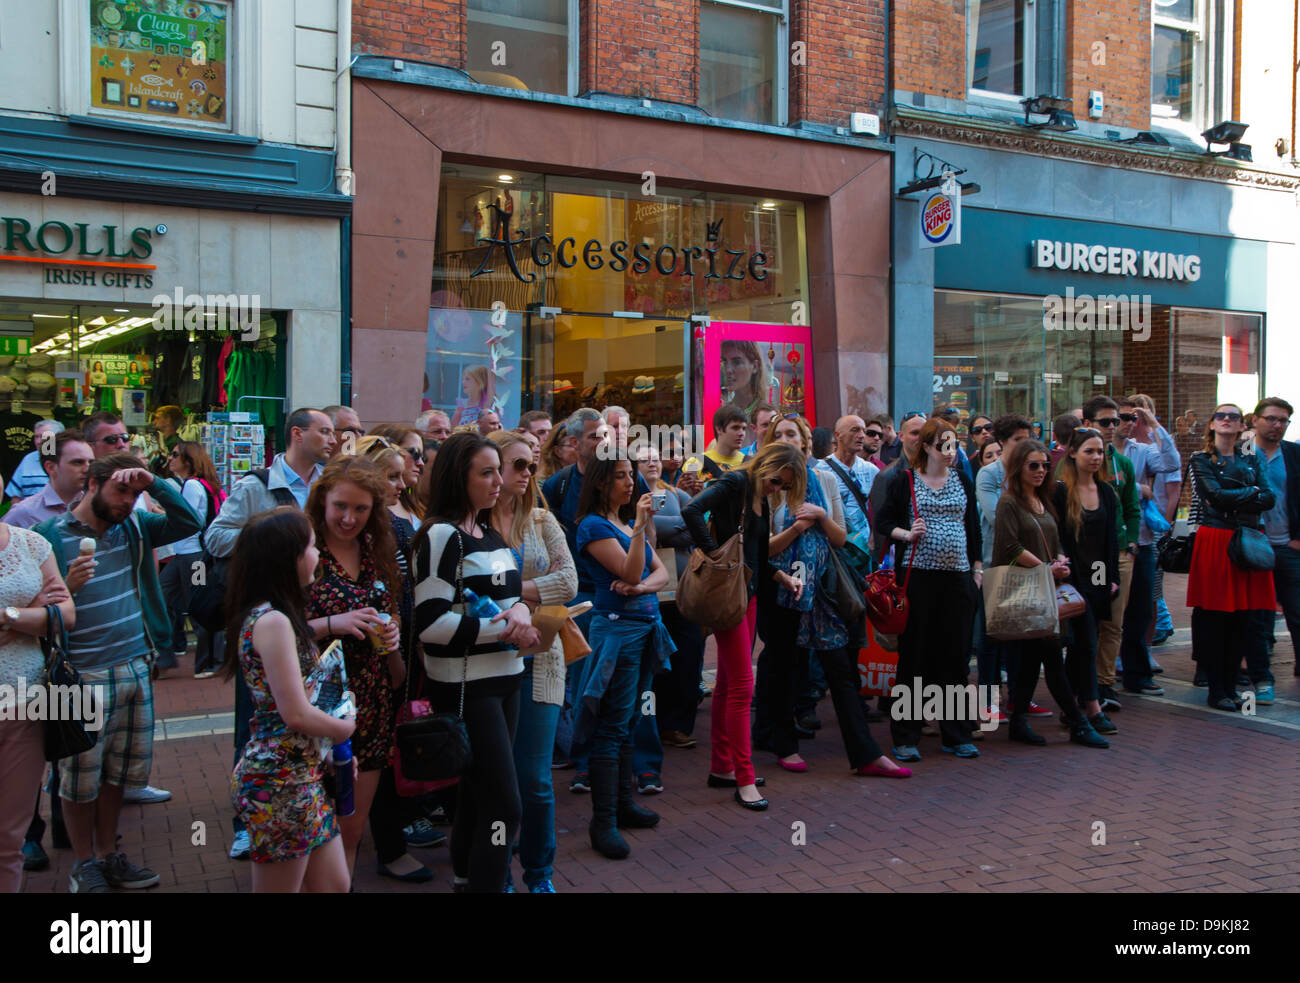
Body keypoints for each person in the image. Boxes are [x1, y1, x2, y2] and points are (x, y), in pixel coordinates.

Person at [34, 453, 203, 892]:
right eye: (120, 491)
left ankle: (109, 855)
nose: (128, 501)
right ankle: (83, 863)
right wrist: (66, 588)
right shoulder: (47, 536)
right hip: (77, 675)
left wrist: (155, 484)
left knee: (119, 775)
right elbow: (34, 607)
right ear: (91, 483)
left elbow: (189, 523)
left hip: (134, 665)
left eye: (133, 493)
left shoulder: (133, 527)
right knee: (77, 778)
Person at [205, 407, 335, 860]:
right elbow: (215, 538)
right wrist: (273, 541)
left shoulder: (326, 484)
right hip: (270, 610)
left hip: (305, 611)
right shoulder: (255, 485)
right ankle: (250, 821)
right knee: (259, 714)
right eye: (325, 430)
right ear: (298, 434)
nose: (333, 438)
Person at [412, 432, 540, 892]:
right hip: (466, 684)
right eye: (485, 473)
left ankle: (468, 878)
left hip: (505, 678)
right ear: (456, 477)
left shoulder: (488, 531)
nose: (498, 482)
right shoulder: (441, 535)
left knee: (478, 796)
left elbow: (512, 597)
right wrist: (507, 628)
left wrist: (521, 613)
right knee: (505, 805)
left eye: (496, 472)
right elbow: (429, 623)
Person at [223, 508, 355, 892]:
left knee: (334, 885)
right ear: (288, 558)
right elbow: (295, 713)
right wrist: (344, 729)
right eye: (312, 545)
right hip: (280, 781)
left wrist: (328, 747)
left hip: (300, 773)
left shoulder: (274, 617)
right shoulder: (273, 622)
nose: (318, 554)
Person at [684, 443, 808, 812]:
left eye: (783, 486)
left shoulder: (759, 494)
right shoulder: (736, 483)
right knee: (741, 687)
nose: (777, 489)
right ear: (767, 466)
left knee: (727, 684)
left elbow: (753, 553)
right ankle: (744, 777)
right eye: (776, 481)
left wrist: (778, 574)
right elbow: (691, 511)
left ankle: (723, 767)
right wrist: (714, 555)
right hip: (730, 595)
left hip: (747, 593)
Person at [541, 409, 654, 791]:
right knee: (588, 688)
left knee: (637, 695)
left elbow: (650, 559)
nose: (603, 441)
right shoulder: (557, 487)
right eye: (594, 436)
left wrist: (642, 585)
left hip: (636, 611)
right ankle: (588, 766)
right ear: (573, 443)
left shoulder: (628, 484)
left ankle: (641, 766)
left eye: (606, 434)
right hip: (587, 599)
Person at [303, 457, 402, 884]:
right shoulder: (303, 550)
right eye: (341, 506)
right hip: (315, 705)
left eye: (361, 509)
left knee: (352, 826)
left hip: (373, 699)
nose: (349, 518)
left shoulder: (376, 548)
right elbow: (262, 626)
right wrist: (331, 625)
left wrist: (394, 640)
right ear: (322, 500)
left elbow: (389, 609)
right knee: (312, 827)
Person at [487, 430, 576, 892]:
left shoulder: (541, 520)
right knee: (497, 786)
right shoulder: (472, 526)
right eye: (516, 464)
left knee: (535, 781)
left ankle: (539, 875)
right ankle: (497, 873)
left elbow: (569, 580)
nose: (526, 473)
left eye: (530, 466)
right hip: (484, 665)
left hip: (541, 661)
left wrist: (507, 592)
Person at [573, 453, 675, 856]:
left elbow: (660, 574)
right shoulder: (593, 525)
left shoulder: (619, 522)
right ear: (600, 482)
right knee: (613, 725)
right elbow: (633, 572)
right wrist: (637, 534)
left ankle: (622, 806)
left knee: (629, 718)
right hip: (617, 631)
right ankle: (604, 821)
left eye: (631, 475)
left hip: (645, 628)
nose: (630, 483)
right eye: (620, 477)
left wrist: (642, 589)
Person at [876, 417, 983, 761]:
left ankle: (956, 733)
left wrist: (977, 570)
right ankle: (906, 735)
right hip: (918, 577)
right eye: (943, 446)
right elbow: (883, 523)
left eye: (954, 445)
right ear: (926, 447)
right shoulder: (905, 481)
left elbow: (973, 528)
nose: (950, 452)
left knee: (954, 658)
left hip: (958, 578)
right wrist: (906, 534)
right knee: (915, 656)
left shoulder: (963, 480)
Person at [991, 440, 1108, 749]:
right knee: (1052, 657)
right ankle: (1078, 722)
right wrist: (1046, 567)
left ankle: (1018, 722)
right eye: (1033, 465)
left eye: (1045, 465)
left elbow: (1054, 539)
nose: (1041, 470)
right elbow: (1009, 547)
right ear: (1018, 468)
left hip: (1046, 587)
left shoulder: (1044, 500)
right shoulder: (1009, 502)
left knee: (1034, 660)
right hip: (1027, 590)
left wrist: (1059, 562)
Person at [0, 510, 75, 891]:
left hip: (25, 702)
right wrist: (32, 609)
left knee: (10, 838)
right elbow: (44, 613)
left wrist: (9, 616)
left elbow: (64, 613)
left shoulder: (30, 543)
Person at [1188, 404, 1276, 712]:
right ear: (1211, 424)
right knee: (1215, 618)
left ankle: (1231, 686)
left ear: (1241, 426)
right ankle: (1217, 689)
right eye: (1221, 416)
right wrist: (1250, 493)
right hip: (1216, 540)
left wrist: (1241, 495)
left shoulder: (1253, 458)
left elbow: (1270, 497)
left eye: (1233, 417)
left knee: (1243, 618)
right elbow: (1214, 496)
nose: (1227, 420)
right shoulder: (1200, 459)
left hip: (1247, 540)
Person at [636, 444, 705, 753]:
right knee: (656, 659)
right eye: (644, 459)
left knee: (689, 654)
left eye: (654, 458)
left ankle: (679, 725)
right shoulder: (630, 496)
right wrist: (678, 528)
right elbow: (634, 530)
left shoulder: (676, 495)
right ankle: (656, 722)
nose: (652, 463)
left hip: (684, 590)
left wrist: (664, 528)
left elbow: (698, 528)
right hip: (649, 591)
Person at [1052, 429, 1120, 736]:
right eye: (1089, 451)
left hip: (1098, 576)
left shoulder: (1106, 492)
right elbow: (1057, 537)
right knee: (1086, 643)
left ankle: (1072, 706)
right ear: (1073, 454)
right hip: (1072, 577)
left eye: (1100, 452)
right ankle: (1092, 706)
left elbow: (1109, 541)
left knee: (1084, 643)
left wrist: (1111, 579)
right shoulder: (1060, 491)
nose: (1096, 458)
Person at [1115, 396, 1181, 697]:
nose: (1127, 423)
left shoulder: (1141, 450)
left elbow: (1170, 463)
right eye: (1118, 418)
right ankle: (1099, 680)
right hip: (1104, 546)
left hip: (1140, 542)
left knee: (1140, 611)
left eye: (1132, 418)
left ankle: (1137, 674)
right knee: (1107, 613)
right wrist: (1135, 486)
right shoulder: (1092, 451)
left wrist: (1154, 425)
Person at [1080, 396, 1141, 712]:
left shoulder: (1124, 464)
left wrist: (1131, 543)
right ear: (1088, 423)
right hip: (1088, 558)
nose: (1113, 427)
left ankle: (1104, 685)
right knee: (1088, 621)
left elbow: (1132, 507)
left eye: (1116, 421)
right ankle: (1085, 685)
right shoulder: (1072, 463)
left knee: (1113, 622)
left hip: (1118, 555)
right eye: (1106, 422)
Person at [1247, 397, 1299, 696]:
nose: (1277, 425)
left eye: (1283, 420)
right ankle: (1261, 676)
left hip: (1288, 546)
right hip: (1254, 546)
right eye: (1272, 418)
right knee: (1259, 614)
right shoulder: (1242, 453)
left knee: (1297, 610)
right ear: (1256, 420)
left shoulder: (1294, 453)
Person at [161, 441, 225, 677]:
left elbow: (187, 520)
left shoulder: (191, 485)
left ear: (188, 461)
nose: (170, 458)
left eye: (175, 455)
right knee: (164, 597)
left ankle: (211, 661)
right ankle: (168, 653)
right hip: (187, 555)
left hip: (193, 556)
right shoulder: (203, 485)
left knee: (197, 606)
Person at [4, 431, 93, 530]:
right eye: (78, 462)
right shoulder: (24, 513)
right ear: (51, 467)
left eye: (91, 462)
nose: (87, 469)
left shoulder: (96, 506)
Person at [366, 423, 426, 522]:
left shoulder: (412, 502)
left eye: (422, 456)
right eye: (415, 453)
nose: (421, 463)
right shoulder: (369, 506)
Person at [4, 419, 63, 503]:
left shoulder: (70, 459)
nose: (38, 441)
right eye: (36, 437)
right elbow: (16, 497)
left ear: (58, 437)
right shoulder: (28, 459)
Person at [720, 340, 769, 418]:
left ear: (755, 366)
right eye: (724, 362)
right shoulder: (723, 411)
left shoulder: (766, 414)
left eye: (737, 362)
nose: (728, 370)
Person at [701, 404, 749, 480]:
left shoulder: (750, 464)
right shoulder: (696, 463)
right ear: (719, 429)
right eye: (735, 428)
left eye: (744, 428)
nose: (741, 433)